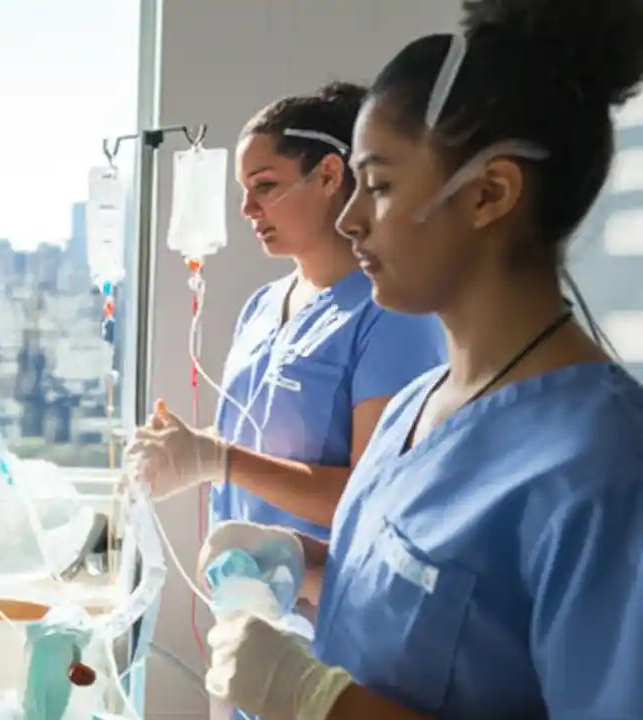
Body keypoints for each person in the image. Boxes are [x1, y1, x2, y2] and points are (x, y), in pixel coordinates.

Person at [201, 0, 643, 718]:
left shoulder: (602, 470)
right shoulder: (418, 405)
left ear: (489, 193)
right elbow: (435, 617)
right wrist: (304, 563)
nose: (351, 218)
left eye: (377, 186)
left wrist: (322, 702)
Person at [128, 82, 445, 543]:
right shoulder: (262, 307)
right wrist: (181, 450)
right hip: (243, 578)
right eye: (244, 190)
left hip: (328, 586)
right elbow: (262, 440)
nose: (247, 209)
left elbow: (376, 495)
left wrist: (219, 459)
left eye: (265, 185)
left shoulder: (391, 316)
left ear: (329, 176)